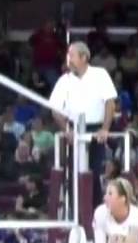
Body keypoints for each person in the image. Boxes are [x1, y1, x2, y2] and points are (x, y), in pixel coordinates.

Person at [49, 41, 118, 178]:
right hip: (73, 130)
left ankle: (96, 199)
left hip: (96, 130)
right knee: (73, 174)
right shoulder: (64, 80)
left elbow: (110, 102)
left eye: (72, 56)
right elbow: (55, 109)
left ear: (84, 58)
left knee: (94, 172)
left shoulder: (100, 74)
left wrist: (105, 128)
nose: (68, 60)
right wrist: (67, 130)